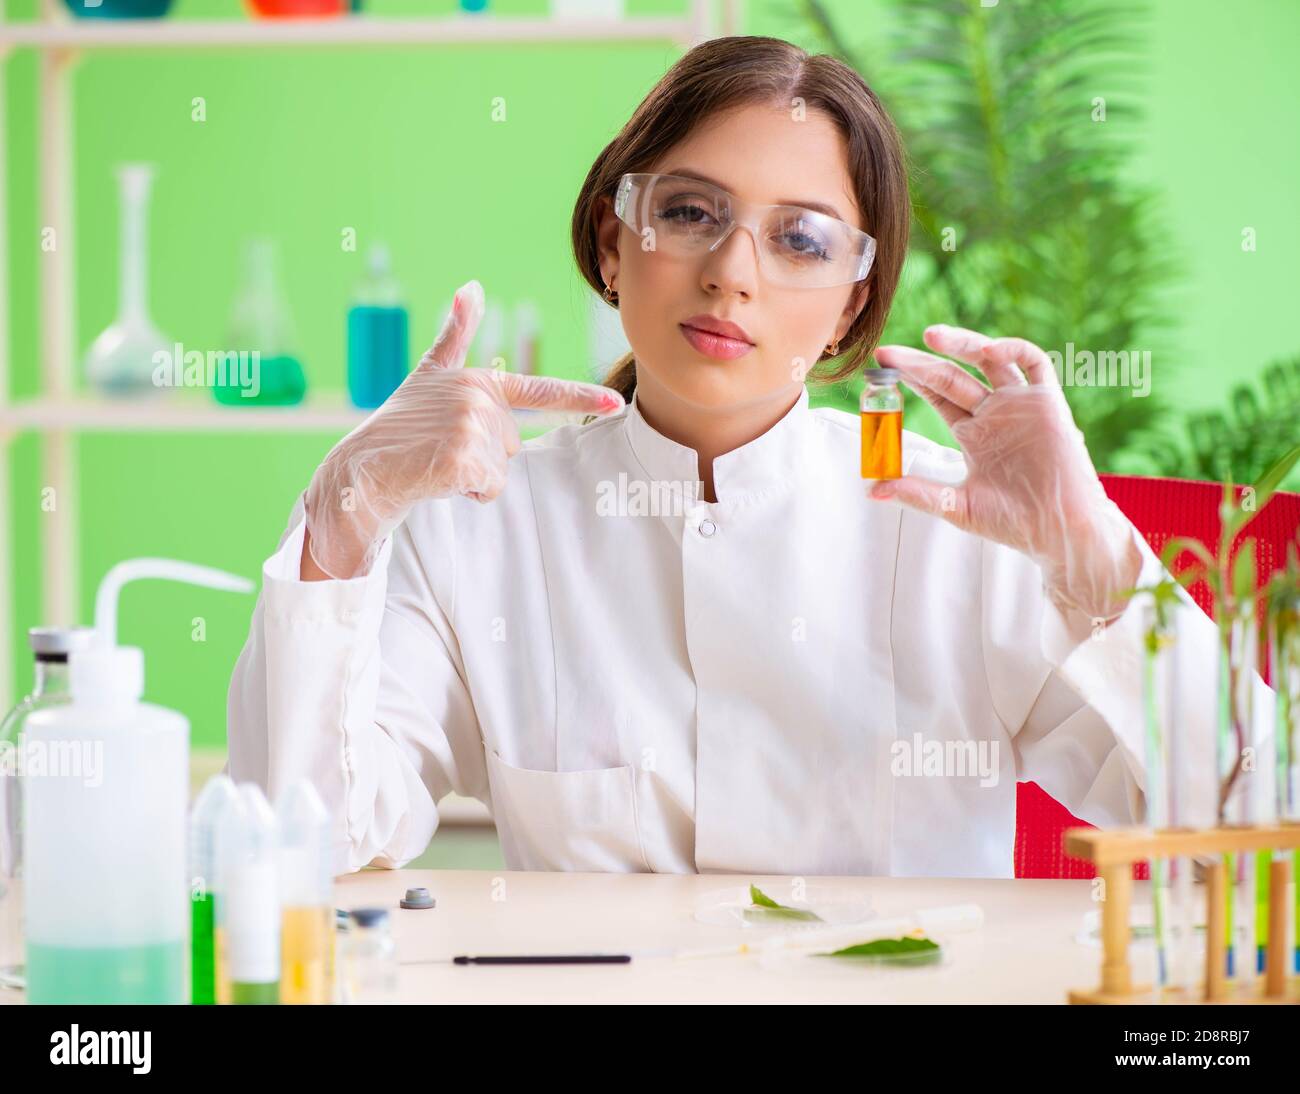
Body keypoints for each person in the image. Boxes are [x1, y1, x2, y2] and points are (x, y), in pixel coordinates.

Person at [226, 36, 1270, 877]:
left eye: (800, 240)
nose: (731, 271)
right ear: (609, 241)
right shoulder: (481, 523)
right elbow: (299, 849)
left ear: (851, 301)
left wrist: (1094, 560)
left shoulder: (959, 522)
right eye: (689, 213)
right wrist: (340, 513)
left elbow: (1251, 824)